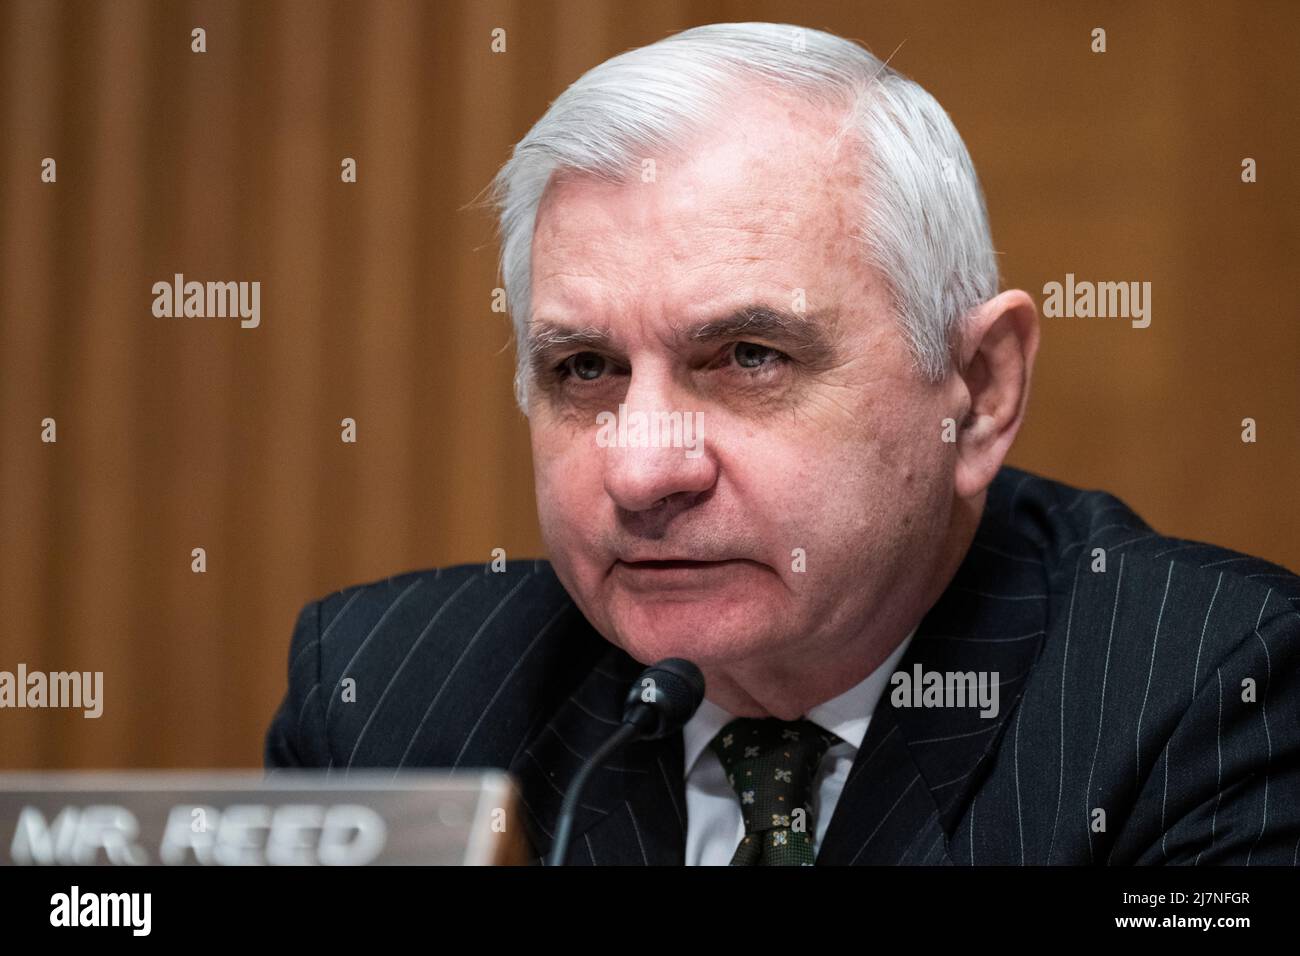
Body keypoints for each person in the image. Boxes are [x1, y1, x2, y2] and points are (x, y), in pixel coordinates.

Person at [264, 22, 1300, 865]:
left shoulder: (1210, 696)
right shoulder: (386, 697)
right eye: (585, 369)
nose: (642, 468)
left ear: (979, 392)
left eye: (749, 356)